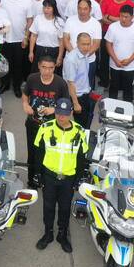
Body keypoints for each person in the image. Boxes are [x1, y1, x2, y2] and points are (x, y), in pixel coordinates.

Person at [33, 99, 89, 253]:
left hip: (68, 178)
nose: (61, 117)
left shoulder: (79, 131)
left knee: (64, 208)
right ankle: (48, 234)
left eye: (65, 114)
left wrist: (78, 178)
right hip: (49, 176)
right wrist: (38, 174)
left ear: (71, 113)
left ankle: (62, 235)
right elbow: (38, 152)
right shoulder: (45, 128)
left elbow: (81, 157)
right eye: (58, 113)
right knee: (48, 206)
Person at [22, 54, 72, 187]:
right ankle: (32, 181)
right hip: (33, 124)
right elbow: (25, 94)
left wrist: (54, 110)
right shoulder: (32, 78)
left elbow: (67, 104)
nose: (47, 71)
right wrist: (25, 105)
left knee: (49, 154)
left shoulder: (61, 83)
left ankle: (46, 182)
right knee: (32, 154)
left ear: (54, 67)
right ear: (39, 66)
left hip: (52, 128)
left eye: (50, 68)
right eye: (44, 67)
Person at [104, 4, 134, 103]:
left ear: (132, 17)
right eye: (121, 16)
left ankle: (128, 108)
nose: (123, 19)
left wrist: (129, 60)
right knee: (114, 86)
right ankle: (111, 106)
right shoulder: (113, 27)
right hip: (114, 64)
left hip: (130, 66)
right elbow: (108, 44)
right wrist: (115, 60)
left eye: (126, 17)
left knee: (128, 88)